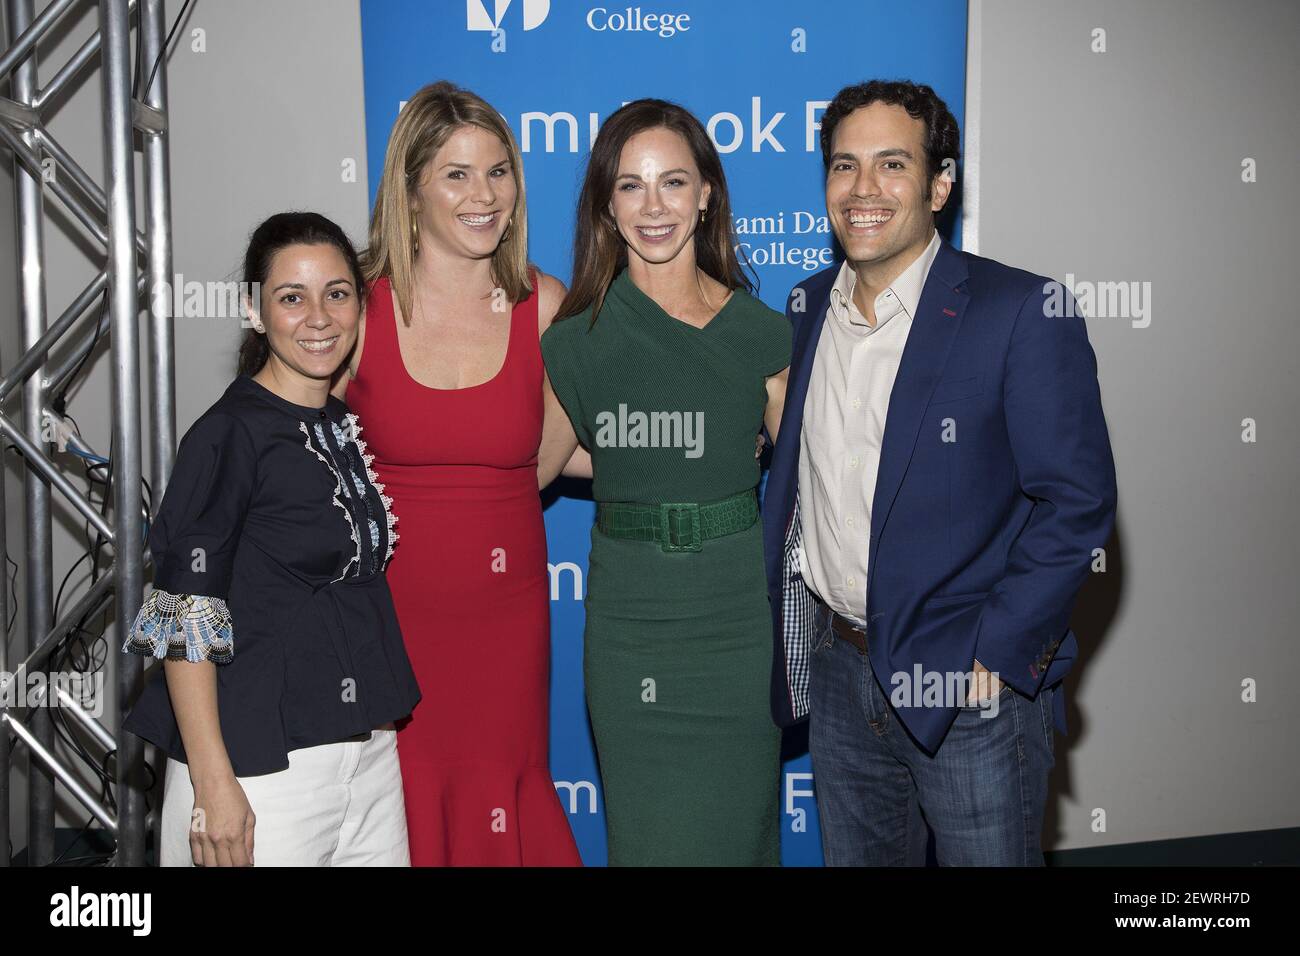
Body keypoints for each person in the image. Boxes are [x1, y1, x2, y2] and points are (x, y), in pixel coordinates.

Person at [762, 80, 1118, 866]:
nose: (862, 190)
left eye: (892, 164)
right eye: (844, 165)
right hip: (839, 671)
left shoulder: (1020, 311)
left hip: (967, 689)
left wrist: (995, 653)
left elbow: (1077, 501)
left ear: (940, 183)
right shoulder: (804, 308)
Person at [122, 211, 421, 866]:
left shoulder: (336, 422)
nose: (319, 316)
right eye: (292, 297)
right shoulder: (227, 435)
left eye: (337, 293)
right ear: (254, 310)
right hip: (260, 772)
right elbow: (182, 621)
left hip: (366, 757)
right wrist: (213, 783)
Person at [334, 81, 582, 866]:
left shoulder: (545, 307)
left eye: (499, 171)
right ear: (410, 192)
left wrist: (702, 446)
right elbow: (292, 457)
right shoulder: (355, 311)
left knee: (502, 790)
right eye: (457, 174)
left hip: (504, 627)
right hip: (387, 619)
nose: (485, 195)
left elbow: (567, 453)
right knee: (401, 796)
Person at [539, 99, 791, 865]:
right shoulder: (576, 340)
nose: (654, 207)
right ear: (606, 208)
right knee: (650, 843)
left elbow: (815, 477)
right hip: (632, 623)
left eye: (673, 182)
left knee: (739, 835)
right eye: (630, 186)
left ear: (706, 193)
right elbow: (539, 467)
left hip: (737, 619)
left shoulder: (761, 331)